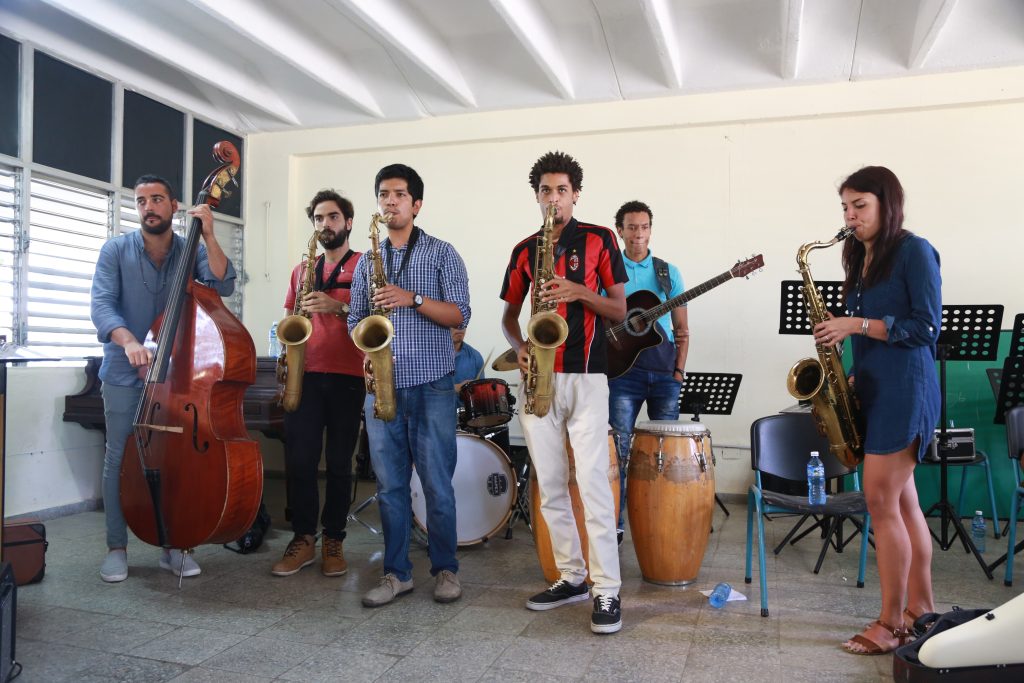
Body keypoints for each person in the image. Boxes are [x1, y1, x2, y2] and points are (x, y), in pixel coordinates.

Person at [811, 166, 940, 655]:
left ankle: (891, 624)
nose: (849, 216)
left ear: (888, 203)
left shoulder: (915, 251)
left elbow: (925, 328)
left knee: (881, 503)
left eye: (859, 205)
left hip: (907, 389)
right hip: (875, 387)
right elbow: (864, 333)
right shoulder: (858, 256)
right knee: (904, 505)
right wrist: (847, 372)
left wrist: (856, 324)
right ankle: (920, 610)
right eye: (845, 206)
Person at [500, 150, 628, 634]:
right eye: (545, 191)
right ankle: (572, 578)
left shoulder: (600, 239)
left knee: (593, 485)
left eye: (561, 190)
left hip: (589, 376)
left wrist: (578, 293)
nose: (553, 199)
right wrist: (520, 349)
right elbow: (509, 317)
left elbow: (617, 309)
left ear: (575, 194)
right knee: (550, 485)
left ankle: (607, 590)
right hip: (540, 378)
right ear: (537, 196)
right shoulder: (524, 249)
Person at [90, 174, 236, 583]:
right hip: (124, 370)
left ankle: (173, 544)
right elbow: (101, 306)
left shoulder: (191, 251)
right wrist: (128, 341)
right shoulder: (116, 250)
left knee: (174, 460)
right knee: (118, 458)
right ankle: (116, 548)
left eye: (157, 199)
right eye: (141, 201)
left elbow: (222, 281)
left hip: (175, 377)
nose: (148, 207)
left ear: (174, 206)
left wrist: (208, 233)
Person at [348, 163, 471, 607]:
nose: (390, 202)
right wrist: (364, 344)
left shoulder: (442, 253)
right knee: (390, 487)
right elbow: (354, 319)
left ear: (416, 204)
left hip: (432, 385)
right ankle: (397, 573)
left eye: (399, 195)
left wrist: (411, 298)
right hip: (383, 387)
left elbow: (460, 314)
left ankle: (445, 570)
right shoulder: (367, 261)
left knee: (437, 484)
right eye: (384, 194)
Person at [271, 189, 365, 578]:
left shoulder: (366, 264)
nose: (325, 224)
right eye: (318, 219)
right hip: (305, 375)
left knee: (341, 464)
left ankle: (335, 539)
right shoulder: (301, 270)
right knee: (300, 462)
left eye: (332, 217)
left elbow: (378, 315)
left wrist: (339, 307)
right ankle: (304, 538)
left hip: (349, 377)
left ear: (348, 222)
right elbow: (289, 319)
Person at [609, 201, 689, 544]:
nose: (638, 233)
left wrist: (679, 373)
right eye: (631, 227)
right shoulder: (609, 270)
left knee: (665, 453)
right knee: (621, 451)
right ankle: (616, 524)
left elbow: (682, 329)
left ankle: (663, 519)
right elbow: (601, 318)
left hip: (663, 373)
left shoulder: (667, 272)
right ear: (620, 231)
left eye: (644, 227)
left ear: (650, 230)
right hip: (622, 375)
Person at [451, 326, 484, 394]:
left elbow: (481, 391)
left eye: (464, 323)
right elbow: (424, 390)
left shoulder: (476, 356)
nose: (460, 328)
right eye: (455, 324)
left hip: (466, 404)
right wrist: (456, 388)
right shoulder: (429, 355)